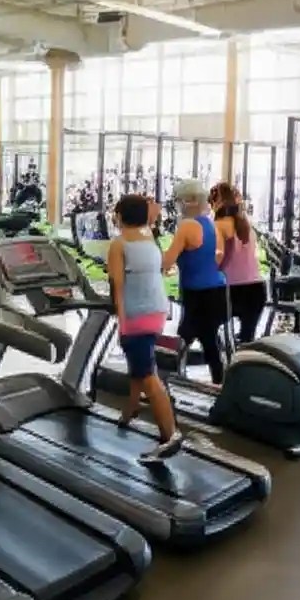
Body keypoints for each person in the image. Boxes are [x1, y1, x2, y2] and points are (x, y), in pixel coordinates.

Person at [107, 194, 184, 462]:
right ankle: (130, 411)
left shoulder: (119, 244)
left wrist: (121, 323)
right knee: (138, 364)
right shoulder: (150, 241)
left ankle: (170, 434)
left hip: (136, 315)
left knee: (148, 374)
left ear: (120, 216)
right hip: (157, 311)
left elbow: (118, 287)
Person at [162, 179, 230, 384]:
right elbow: (216, 257)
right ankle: (218, 381)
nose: (176, 205)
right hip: (218, 289)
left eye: (178, 200)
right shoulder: (211, 225)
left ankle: (171, 381)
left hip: (198, 294)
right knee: (207, 339)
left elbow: (167, 261)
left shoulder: (187, 226)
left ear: (189, 201)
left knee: (190, 337)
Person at [211, 182, 266, 343]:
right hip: (257, 290)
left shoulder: (219, 225)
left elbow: (218, 258)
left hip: (231, 291)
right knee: (246, 340)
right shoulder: (247, 225)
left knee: (204, 326)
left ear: (216, 202)